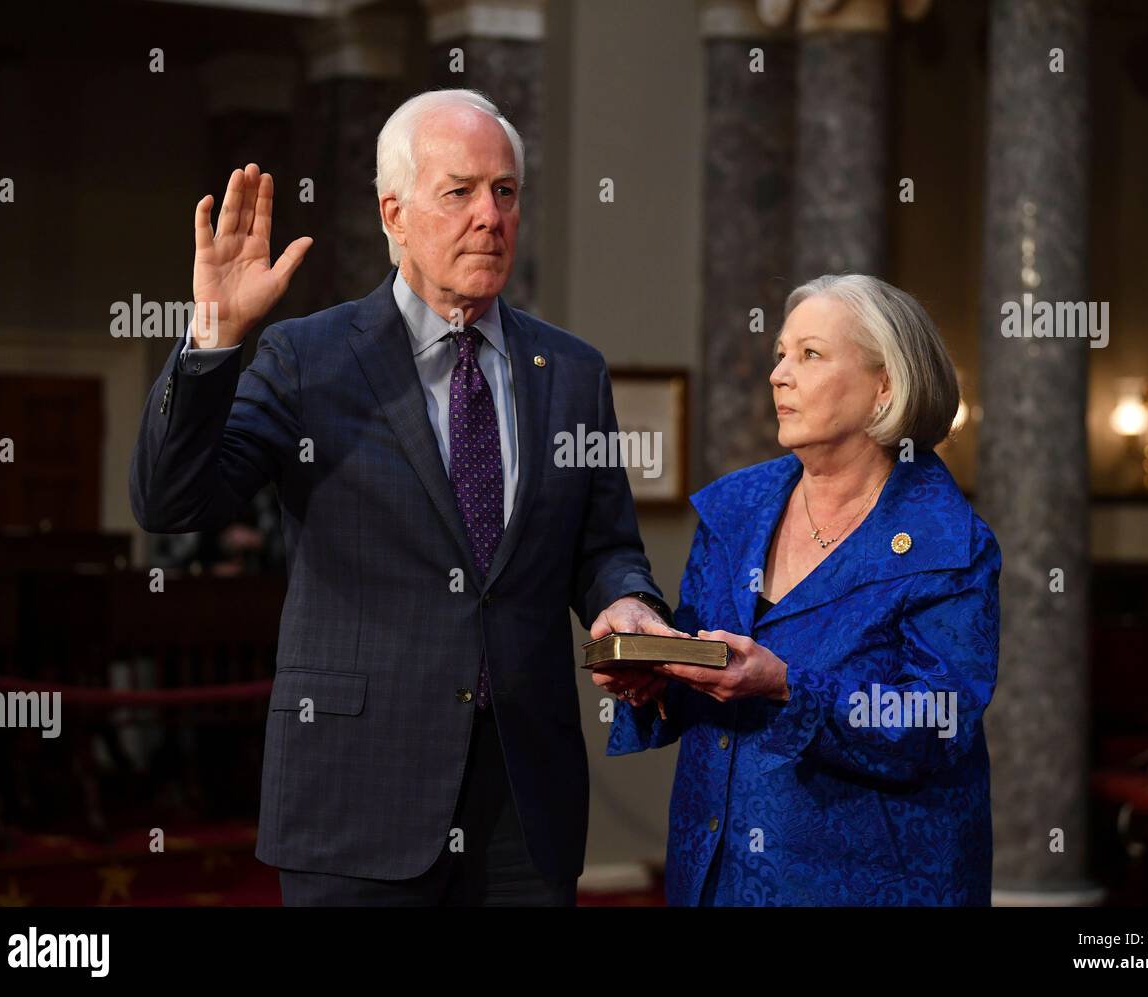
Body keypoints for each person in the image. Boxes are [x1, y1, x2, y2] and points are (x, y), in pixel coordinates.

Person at [130, 89, 680, 906]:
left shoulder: (570, 372)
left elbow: (603, 547)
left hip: (524, 804)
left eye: (504, 192)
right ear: (394, 213)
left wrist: (629, 601)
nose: (488, 216)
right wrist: (214, 339)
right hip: (358, 791)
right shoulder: (305, 357)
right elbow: (172, 500)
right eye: (458, 192)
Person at [597, 274, 1002, 906]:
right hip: (716, 873)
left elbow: (936, 722)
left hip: (870, 883)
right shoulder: (736, 508)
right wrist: (653, 672)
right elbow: (707, 663)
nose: (779, 374)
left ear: (885, 387)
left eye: (809, 355)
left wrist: (786, 685)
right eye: (781, 354)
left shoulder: (947, 542)